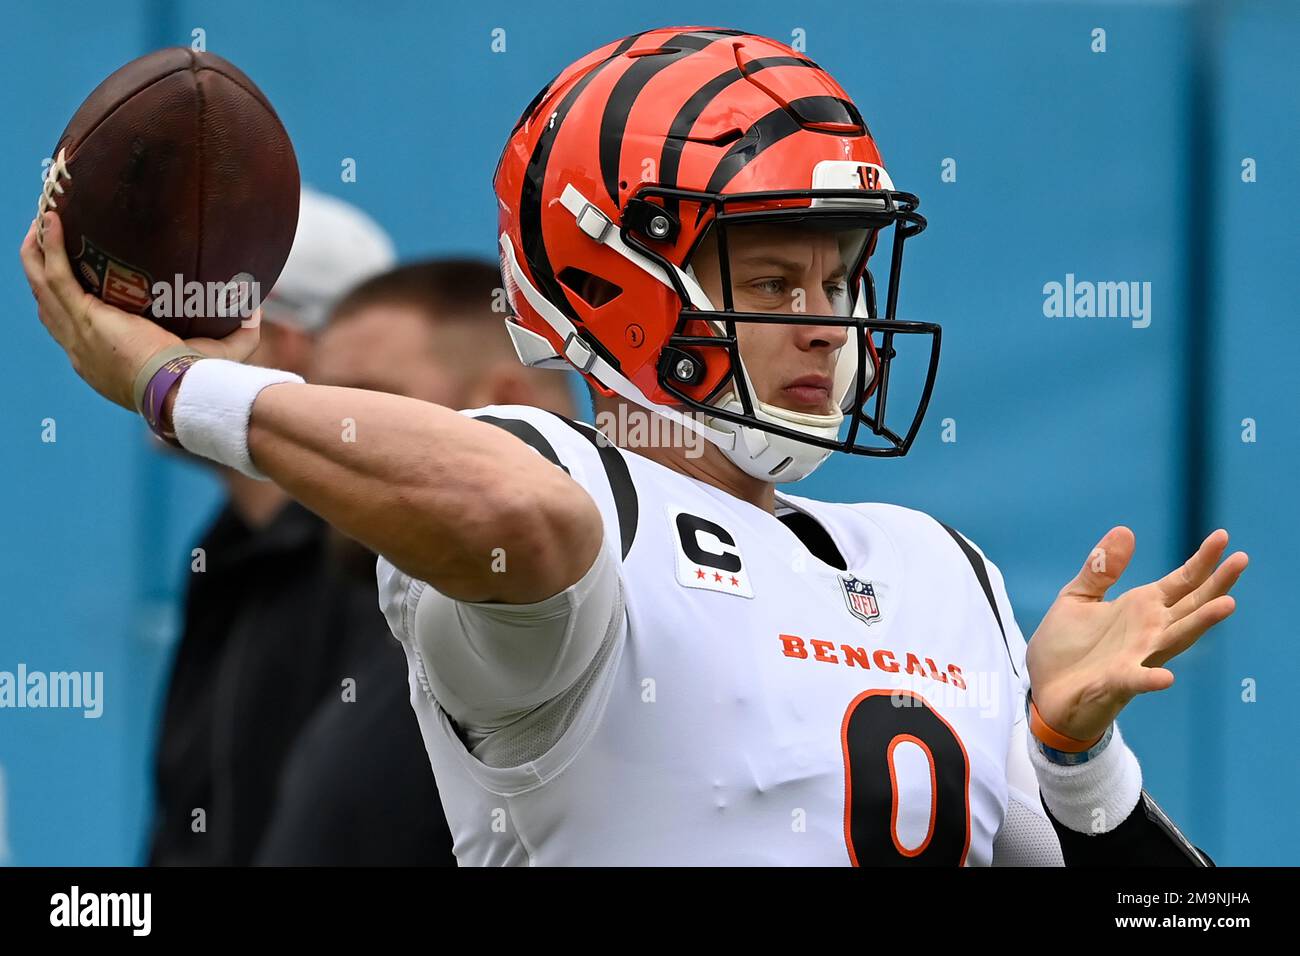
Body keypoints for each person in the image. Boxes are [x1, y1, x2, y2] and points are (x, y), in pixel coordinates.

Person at [22, 27, 1247, 866]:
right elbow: (516, 519)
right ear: (615, 286)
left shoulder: (939, 565)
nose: (829, 324)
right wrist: (183, 385)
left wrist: (1075, 761)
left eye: (842, 276)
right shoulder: (565, 489)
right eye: (774, 275)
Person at [254, 261, 573, 865]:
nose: (337, 439)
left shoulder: (596, 627)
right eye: (324, 411)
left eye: (375, 406)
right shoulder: (395, 630)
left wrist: (164, 381)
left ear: (508, 404)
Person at [144, 187, 396, 865]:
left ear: (279, 343)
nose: (143, 348)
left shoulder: (381, 564)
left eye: (177, 318)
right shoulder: (228, 556)